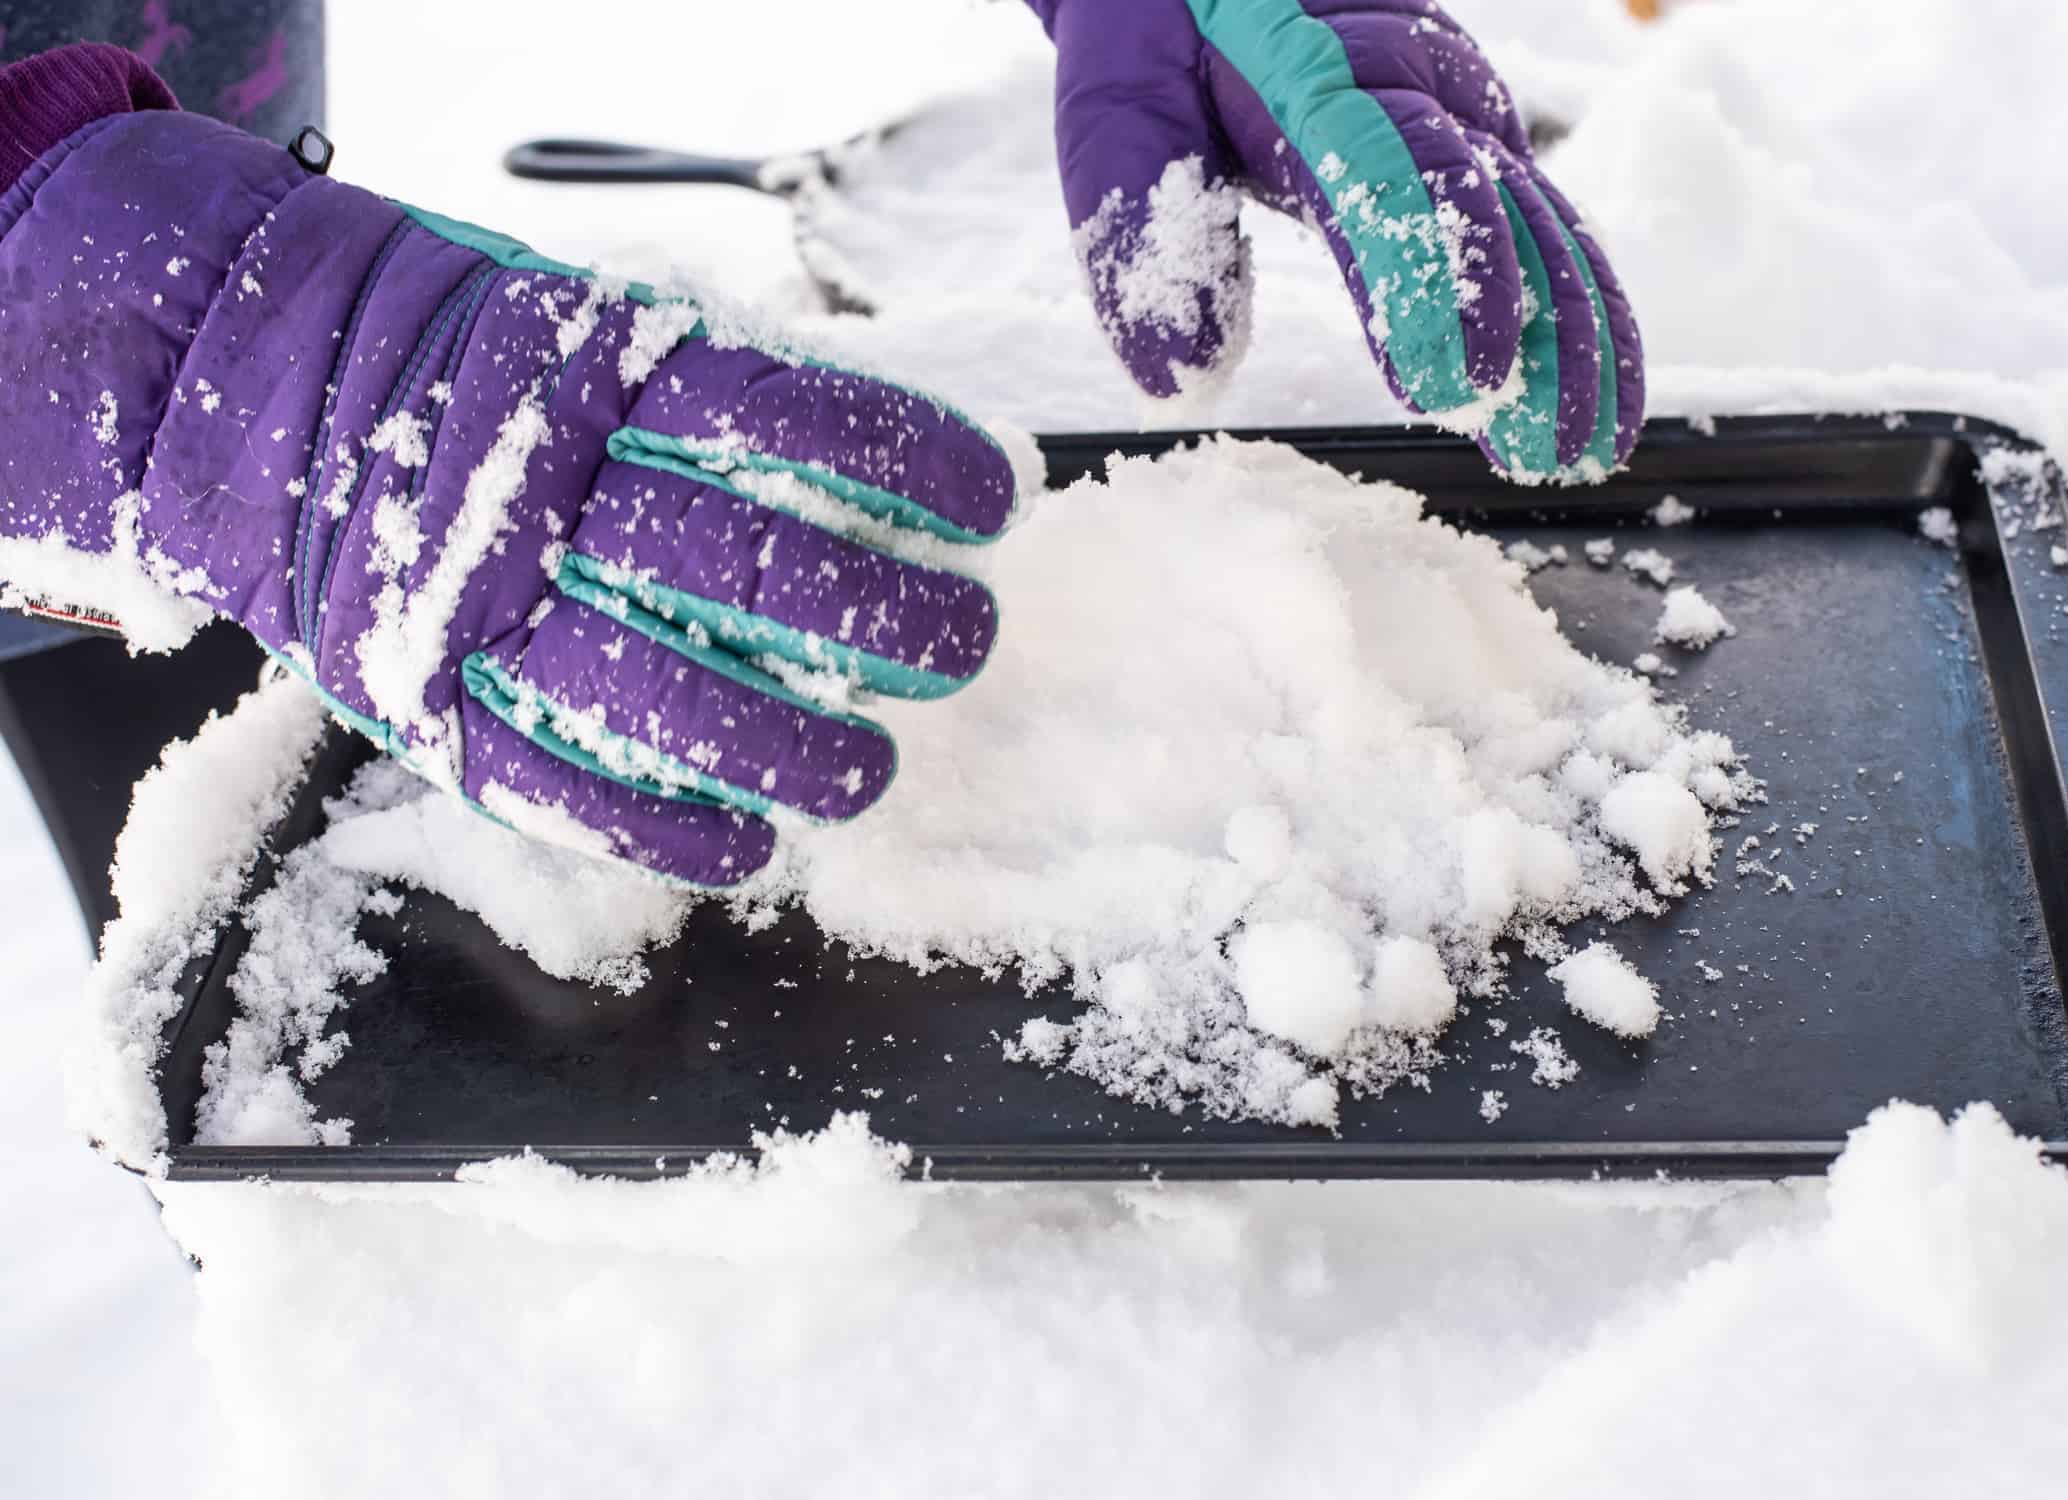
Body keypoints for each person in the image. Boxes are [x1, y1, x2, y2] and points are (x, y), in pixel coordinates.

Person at [0, 0, 1643, 925]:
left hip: (209, 216)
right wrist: (143, 332)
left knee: (291, 828)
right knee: (238, 960)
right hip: (117, 335)